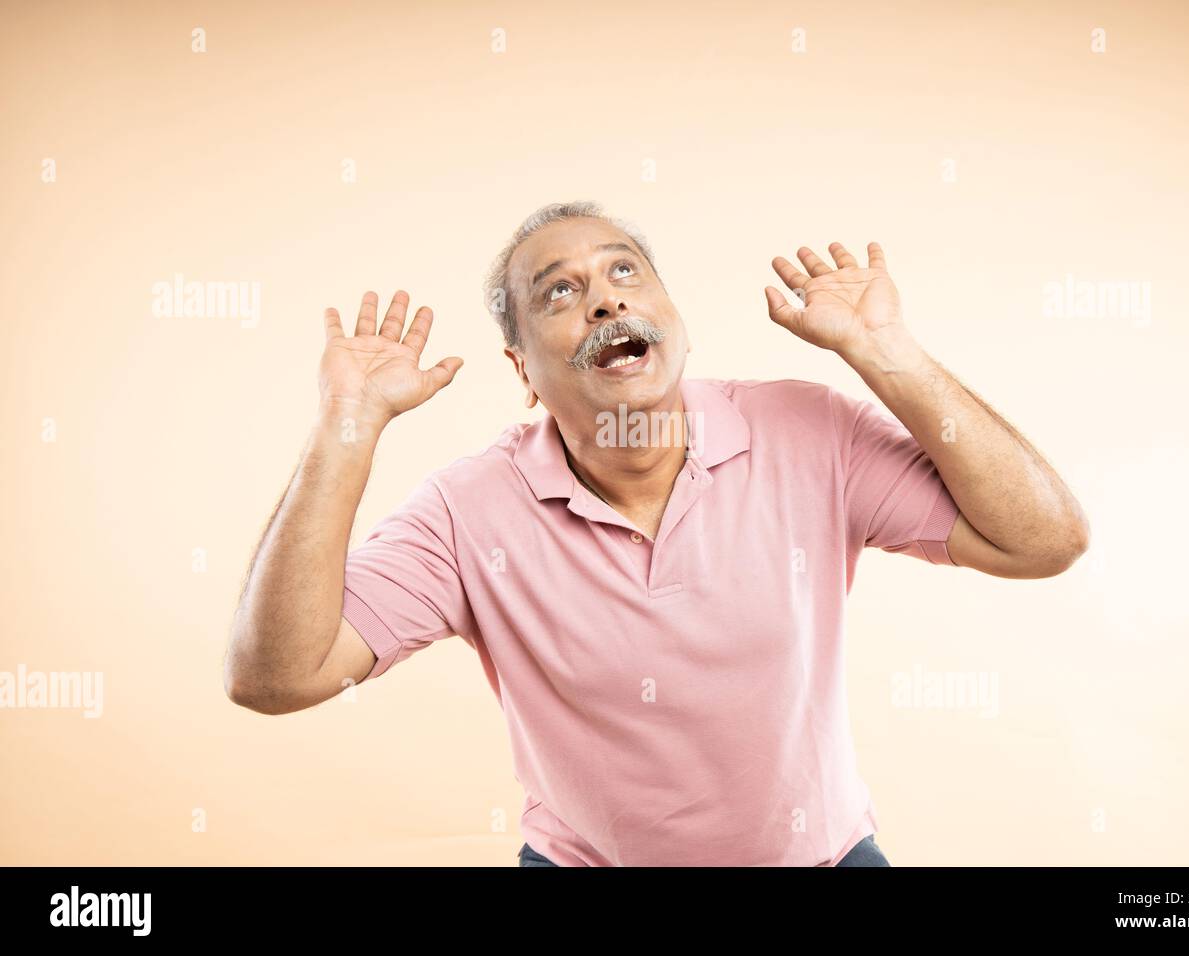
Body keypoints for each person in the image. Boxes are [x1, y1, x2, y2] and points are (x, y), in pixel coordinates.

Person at [224, 200, 1089, 867]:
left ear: (673, 319)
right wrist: (348, 425)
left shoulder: (808, 429)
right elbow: (277, 678)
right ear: (522, 371)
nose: (604, 299)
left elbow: (1042, 541)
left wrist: (885, 350)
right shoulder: (465, 511)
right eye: (559, 292)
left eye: (625, 272)